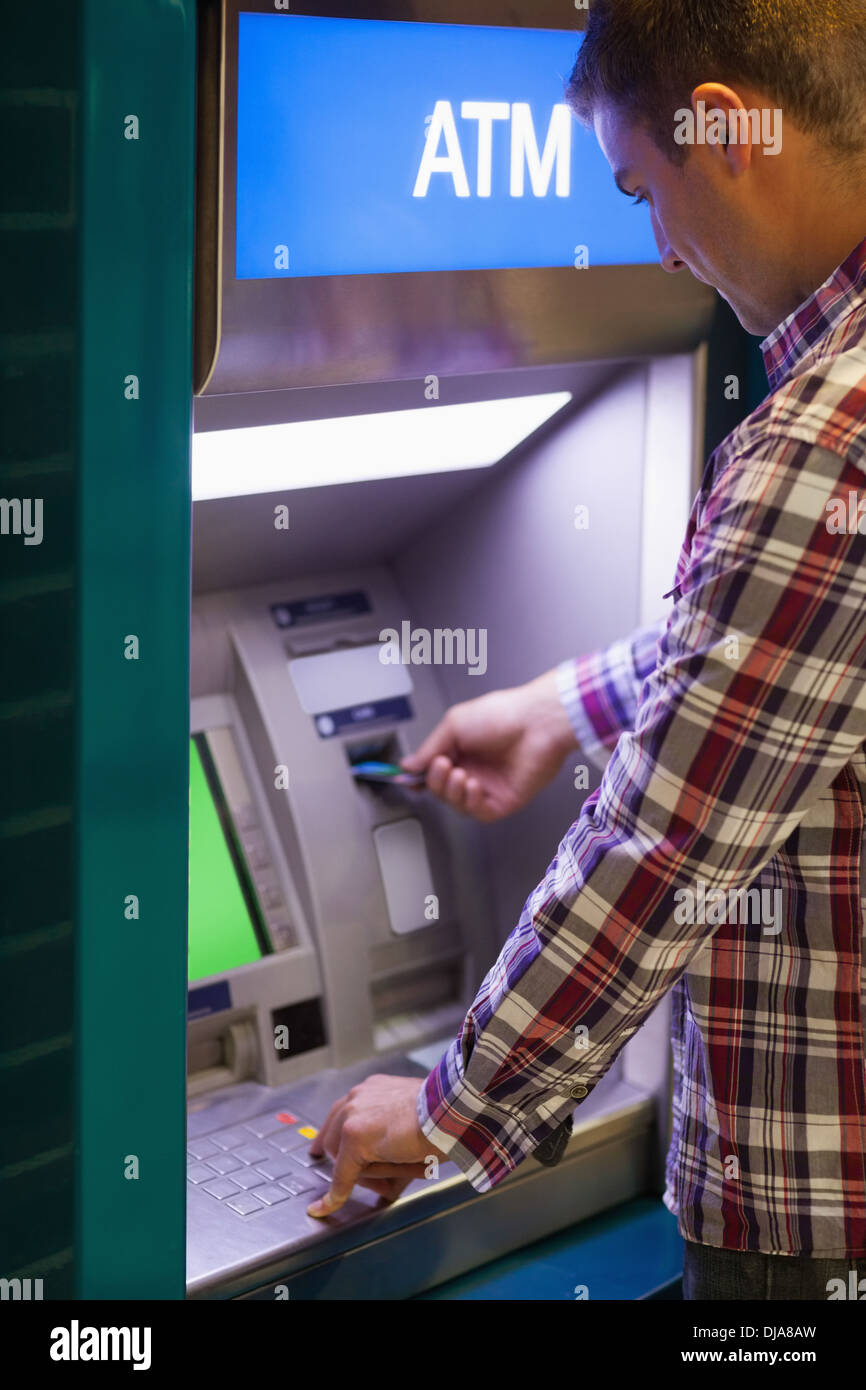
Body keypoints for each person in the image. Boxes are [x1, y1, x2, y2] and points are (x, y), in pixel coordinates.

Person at [307, 0, 866, 1301]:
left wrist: (447, 1106)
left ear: (725, 129)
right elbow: (793, 657)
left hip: (816, 1225)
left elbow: (660, 851)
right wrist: (565, 702)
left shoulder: (822, 439)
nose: (662, 251)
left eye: (640, 192)